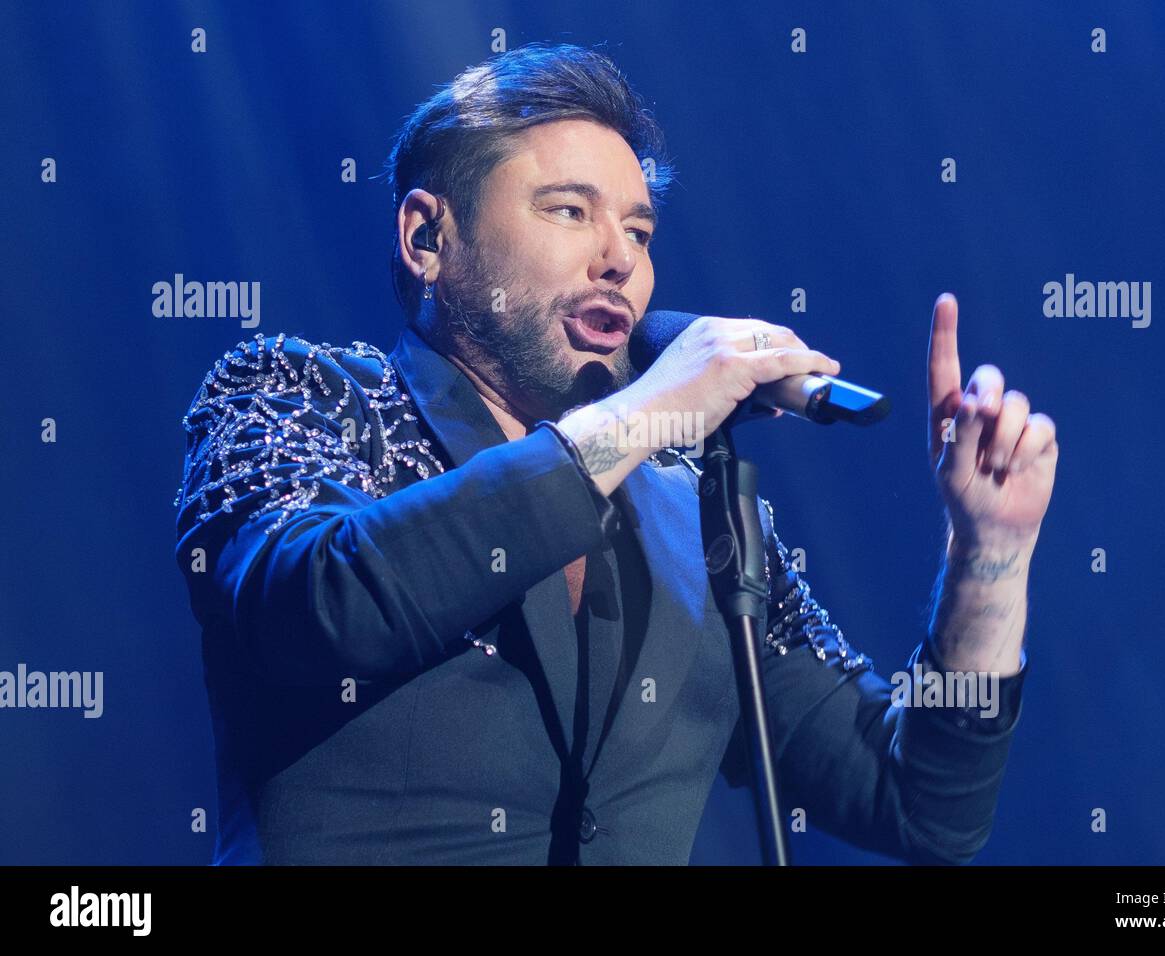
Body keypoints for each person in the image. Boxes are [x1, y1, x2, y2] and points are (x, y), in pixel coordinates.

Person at [173, 42, 1057, 865]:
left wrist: (989, 557)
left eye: (638, 232)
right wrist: (640, 417)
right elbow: (320, 609)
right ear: (427, 238)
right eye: (569, 210)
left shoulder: (693, 502)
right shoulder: (305, 394)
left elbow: (918, 799)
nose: (618, 261)